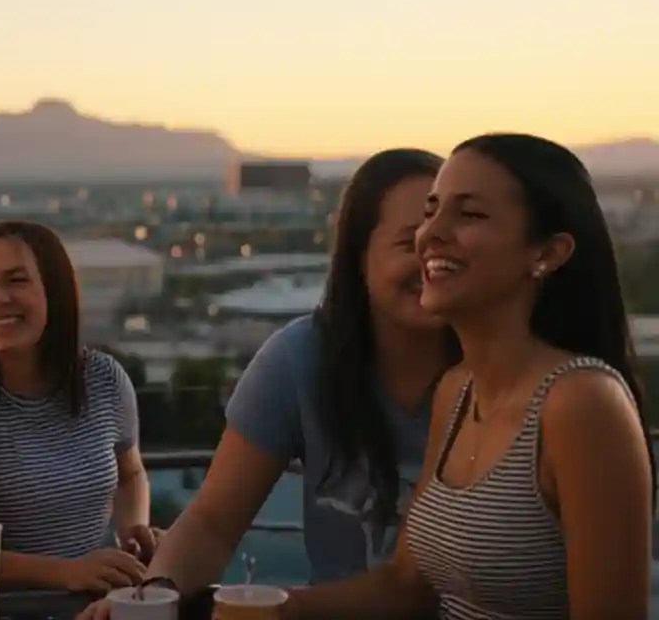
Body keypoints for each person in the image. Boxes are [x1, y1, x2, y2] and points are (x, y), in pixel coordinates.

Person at [285, 133, 655, 618]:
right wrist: (263, 608)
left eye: (470, 214)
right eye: (432, 210)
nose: (431, 232)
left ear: (547, 253)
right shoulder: (457, 390)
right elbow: (406, 585)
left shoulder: (582, 405)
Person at [79, 148, 457, 618]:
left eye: (446, 243)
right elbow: (213, 522)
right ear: (360, 257)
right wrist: (154, 597)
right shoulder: (300, 361)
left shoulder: (503, 373)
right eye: (409, 244)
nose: (432, 260)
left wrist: (278, 610)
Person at [0, 220, 154, 593]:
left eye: (15, 280)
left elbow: (130, 473)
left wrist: (133, 531)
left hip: (100, 604)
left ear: (54, 292)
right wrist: (69, 573)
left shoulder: (105, 379)